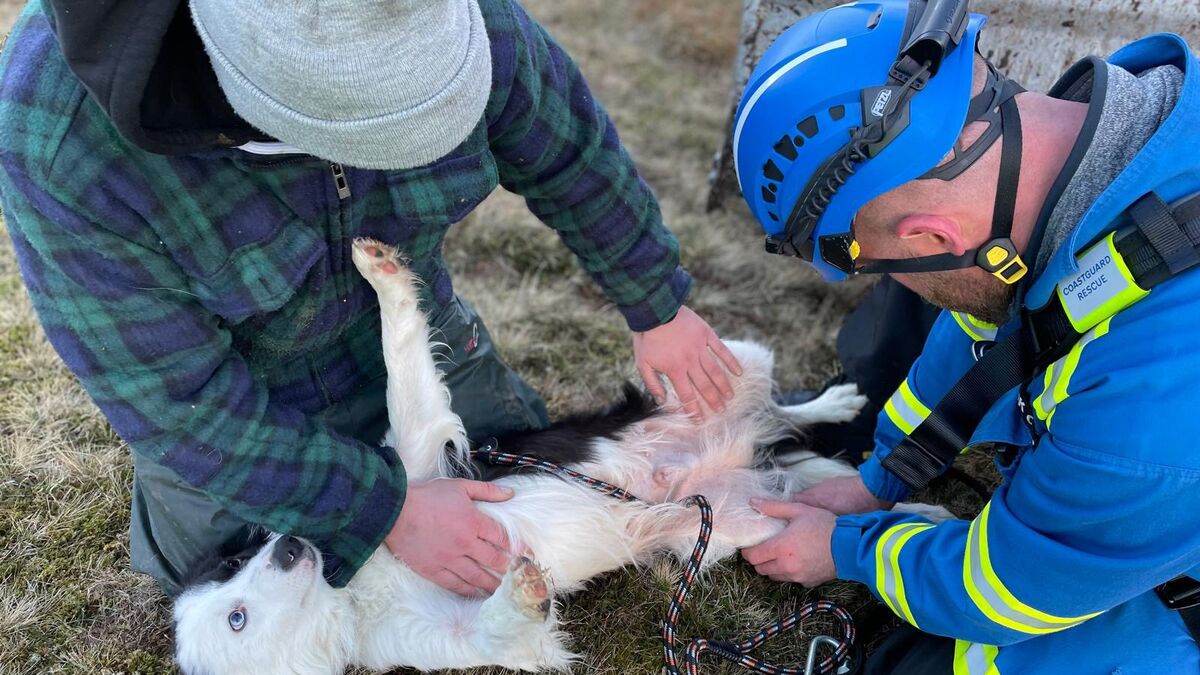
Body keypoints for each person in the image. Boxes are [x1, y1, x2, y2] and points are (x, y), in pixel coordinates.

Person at [0, 0, 741, 599]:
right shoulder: (62, 133)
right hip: (237, 412)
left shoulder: (471, 24)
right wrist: (381, 510)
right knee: (265, 600)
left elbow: (569, 150)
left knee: (532, 507)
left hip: (416, 339)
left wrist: (657, 303)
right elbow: (174, 400)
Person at [731, 0, 1200, 672]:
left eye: (890, 271)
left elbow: (1004, 588)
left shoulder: (1153, 395)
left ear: (931, 236)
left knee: (958, 659)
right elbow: (987, 332)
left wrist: (847, 549)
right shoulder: (1111, 155)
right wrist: (880, 480)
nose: (908, 290)